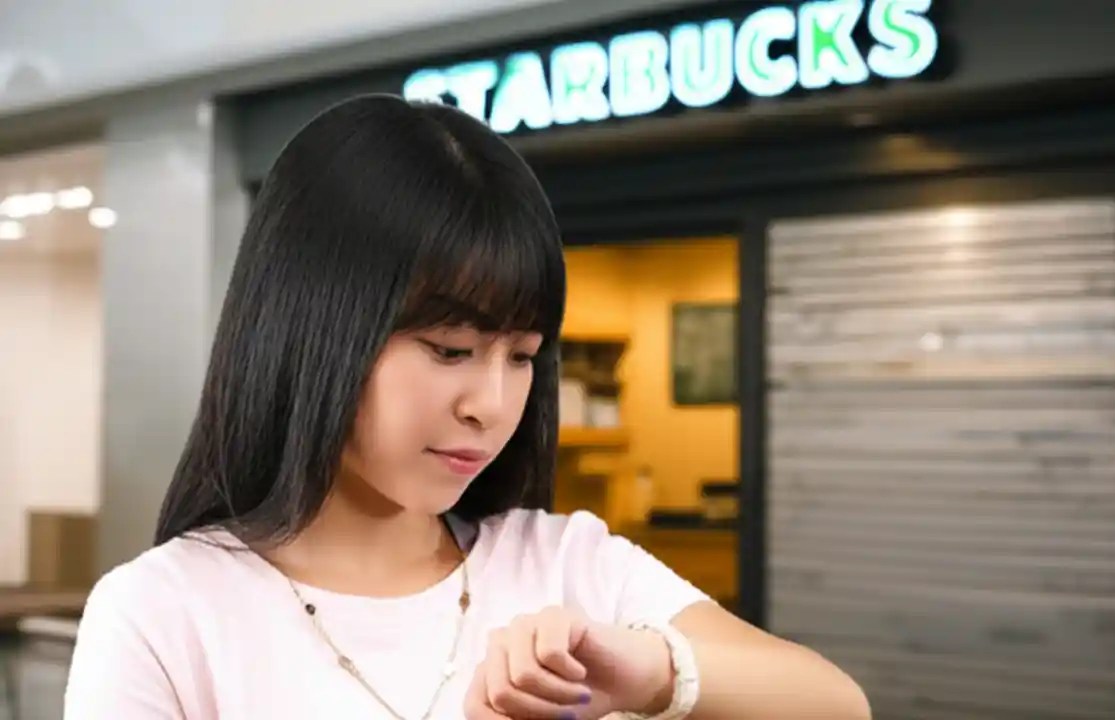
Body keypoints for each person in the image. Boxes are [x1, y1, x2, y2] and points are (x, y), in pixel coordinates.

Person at [63, 94, 871, 720]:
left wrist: (648, 670)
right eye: (450, 349)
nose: (492, 404)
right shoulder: (165, 612)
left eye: (521, 357)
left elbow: (835, 703)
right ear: (311, 329)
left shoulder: (565, 568)